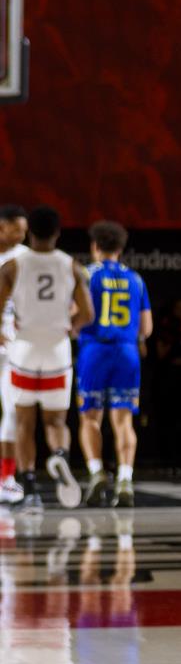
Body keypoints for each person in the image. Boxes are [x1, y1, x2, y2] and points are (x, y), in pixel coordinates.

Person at [0, 208, 91, 509]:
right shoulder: (72, 266)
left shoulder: (13, 266)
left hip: (24, 347)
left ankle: (28, 486)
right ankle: (60, 456)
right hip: (57, 348)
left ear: (31, 232)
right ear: (57, 233)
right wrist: (70, 327)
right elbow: (88, 314)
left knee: (24, 421)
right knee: (55, 421)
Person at [77, 221, 152, 508]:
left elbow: (78, 315)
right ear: (120, 249)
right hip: (126, 352)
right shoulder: (136, 279)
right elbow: (146, 328)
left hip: (95, 350)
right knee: (123, 421)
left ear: (95, 247)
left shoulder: (86, 274)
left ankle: (97, 472)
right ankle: (125, 477)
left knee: (90, 418)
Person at [0, 204, 26, 504]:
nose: (21, 234)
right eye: (16, 228)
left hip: (14, 345)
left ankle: (7, 478)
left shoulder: (24, 258)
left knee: (12, 410)